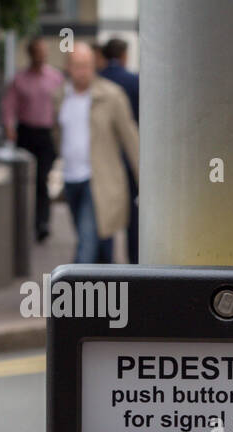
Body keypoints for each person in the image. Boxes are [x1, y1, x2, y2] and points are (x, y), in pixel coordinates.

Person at [55, 44, 139, 265]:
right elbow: (58, 134)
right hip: (71, 178)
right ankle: (106, 292)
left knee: (86, 244)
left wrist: (144, 182)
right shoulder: (60, 96)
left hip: (100, 181)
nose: (81, 71)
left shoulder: (112, 96)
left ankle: (75, 295)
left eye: (85, 66)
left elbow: (131, 140)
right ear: (67, 67)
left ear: (94, 66)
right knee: (99, 244)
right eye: (76, 66)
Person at [2, 37, 64, 243]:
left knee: (41, 179)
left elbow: (64, 106)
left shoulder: (55, 78)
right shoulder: (19, 79)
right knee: (24, 180)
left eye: (44, 51)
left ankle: (42, 223)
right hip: (26, 133)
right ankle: (23, 223)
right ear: (31, 53)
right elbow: (9, 106)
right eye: (38, 51)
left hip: (47, 135)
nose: (42, 55)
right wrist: (9, 127)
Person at [98, 37, 140, 264]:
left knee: (105, 211)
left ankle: (106, 265)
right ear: (124, 55)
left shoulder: (98, 81)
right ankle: (134, 263)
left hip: (104, 156)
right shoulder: (135, 81)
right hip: (130, 154)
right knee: (134, 214)